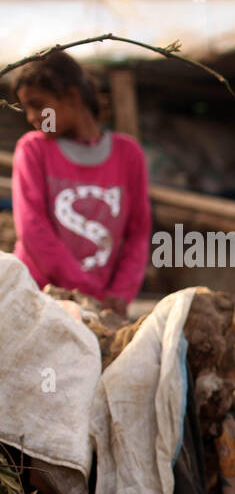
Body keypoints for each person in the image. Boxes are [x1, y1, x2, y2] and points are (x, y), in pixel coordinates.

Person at [10, 50, 151, 315]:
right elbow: (33, 229)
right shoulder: (33, 150)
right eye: (26, 108)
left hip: (100, 306)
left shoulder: (127, 154)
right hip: (37, 299)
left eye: (38, 105)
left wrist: (119, 294)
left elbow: (138, 232)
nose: (31, 117)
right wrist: (87, 292)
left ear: (72, 98)